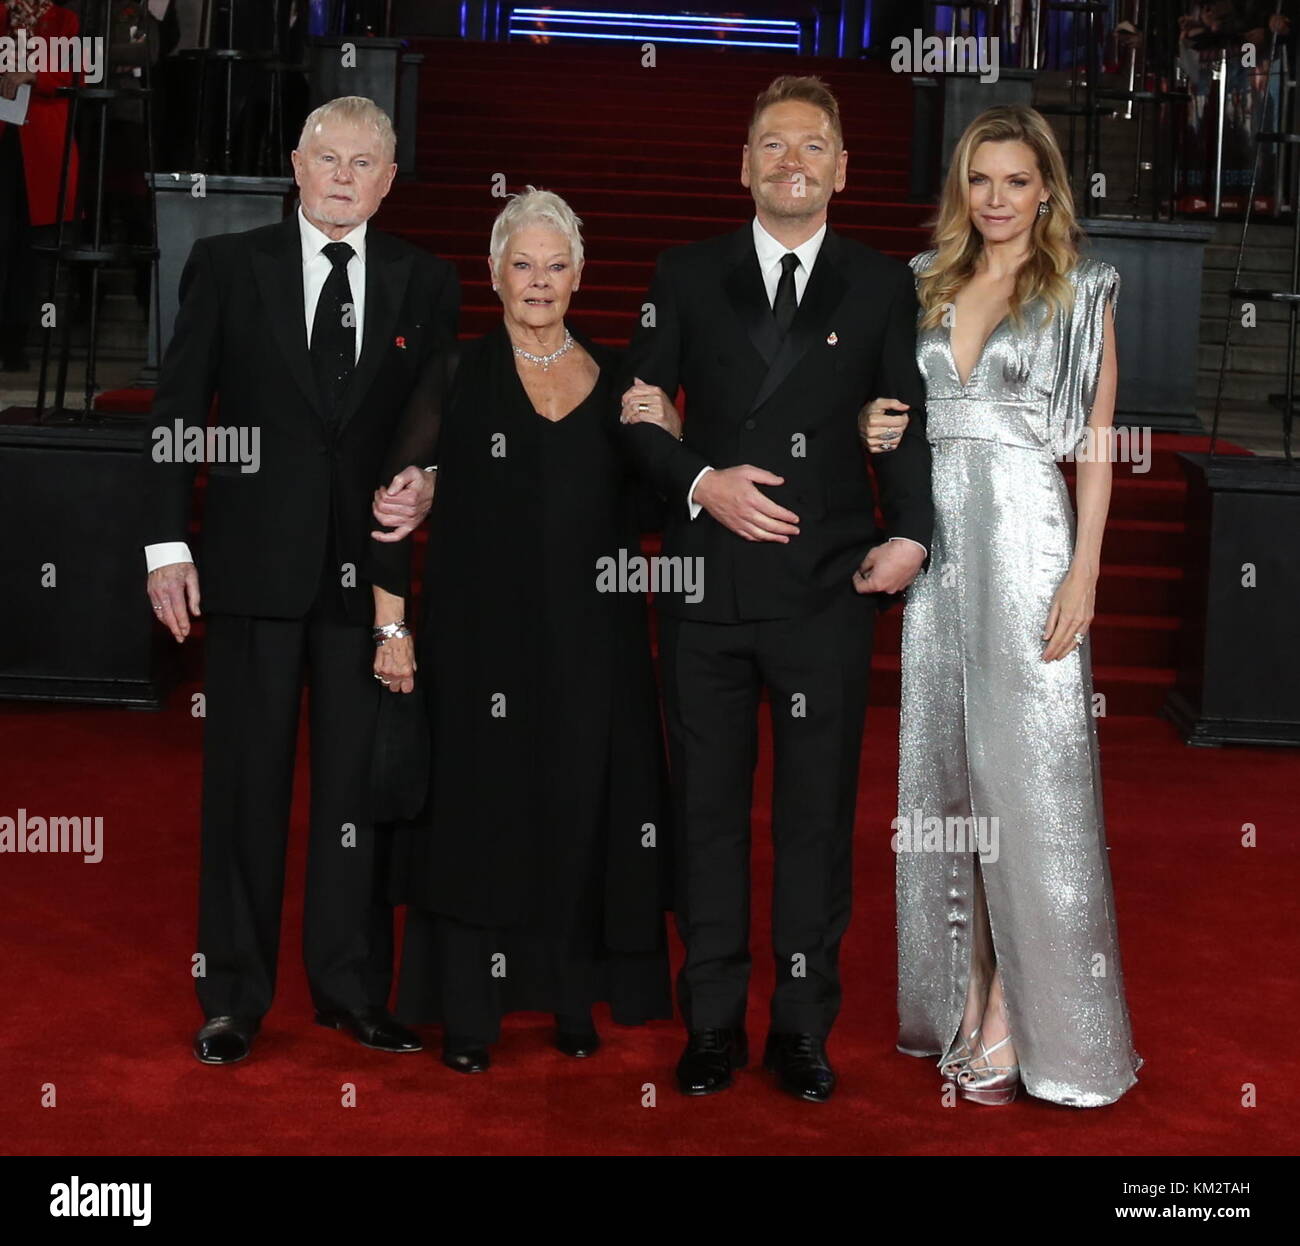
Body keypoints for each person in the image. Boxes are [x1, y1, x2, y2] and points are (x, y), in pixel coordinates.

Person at [619, 75, 934, 1103]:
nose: (789, 161)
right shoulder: (684, 271)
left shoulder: (883, 284)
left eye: (810, 147)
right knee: (705, 815)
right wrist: (702, 481)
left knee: (811, 820)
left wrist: (913, 532)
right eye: (771, 145)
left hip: (825, 594)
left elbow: (903, 421)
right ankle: (709, 1020)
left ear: (841, 168)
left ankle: (801, 1024)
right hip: (706, 591)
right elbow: (635, 418)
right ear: (743, 164)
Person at [142, 95, 459, 1065]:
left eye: (365, 162)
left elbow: (432, 421)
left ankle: (351, 987)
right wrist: (166, 546)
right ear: (295, 162)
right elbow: (178, 409)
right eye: (328, 157)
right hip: (248, 574)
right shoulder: (232, 266)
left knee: (355, 795)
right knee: (244, 787)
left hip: (368, 585)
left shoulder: (423, 281)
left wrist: (431, 479)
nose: (343, 175)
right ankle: (234, 993)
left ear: (389, 179)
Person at [860, 104, 1142, 1106]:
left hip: (1027, 539)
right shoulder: (923, 283)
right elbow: (894, 409)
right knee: (950, 780)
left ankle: (1032, 1016)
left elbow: (1100, 442)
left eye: (1015, 181)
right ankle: (968, 986)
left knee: (1031, 784)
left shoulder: (1078, 288)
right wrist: (874, 423)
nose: (995, 199)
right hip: (940, 556)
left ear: (1045, 190)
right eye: (980, 180)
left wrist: (1086, 572)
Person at [369, 188, 675, 1072]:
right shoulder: (455, 373)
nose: (538, 281)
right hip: (476, 643)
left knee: (580, 812)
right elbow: (393, 505)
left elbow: (661, 503)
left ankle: (568, 996)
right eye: (521, 263)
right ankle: (469, 1010)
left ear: (579, 275)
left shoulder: (621, 381)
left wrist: (676, 433)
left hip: (595, 644)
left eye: (555, 264)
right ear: (495, 273)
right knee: (480, 813)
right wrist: (392, 632)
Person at [0, 0, 80, 372]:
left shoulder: (65, 20)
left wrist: (32, 73)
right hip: (4, 135)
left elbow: (81, 73)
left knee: (29, 249)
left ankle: (15, 341)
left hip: (41, 143)